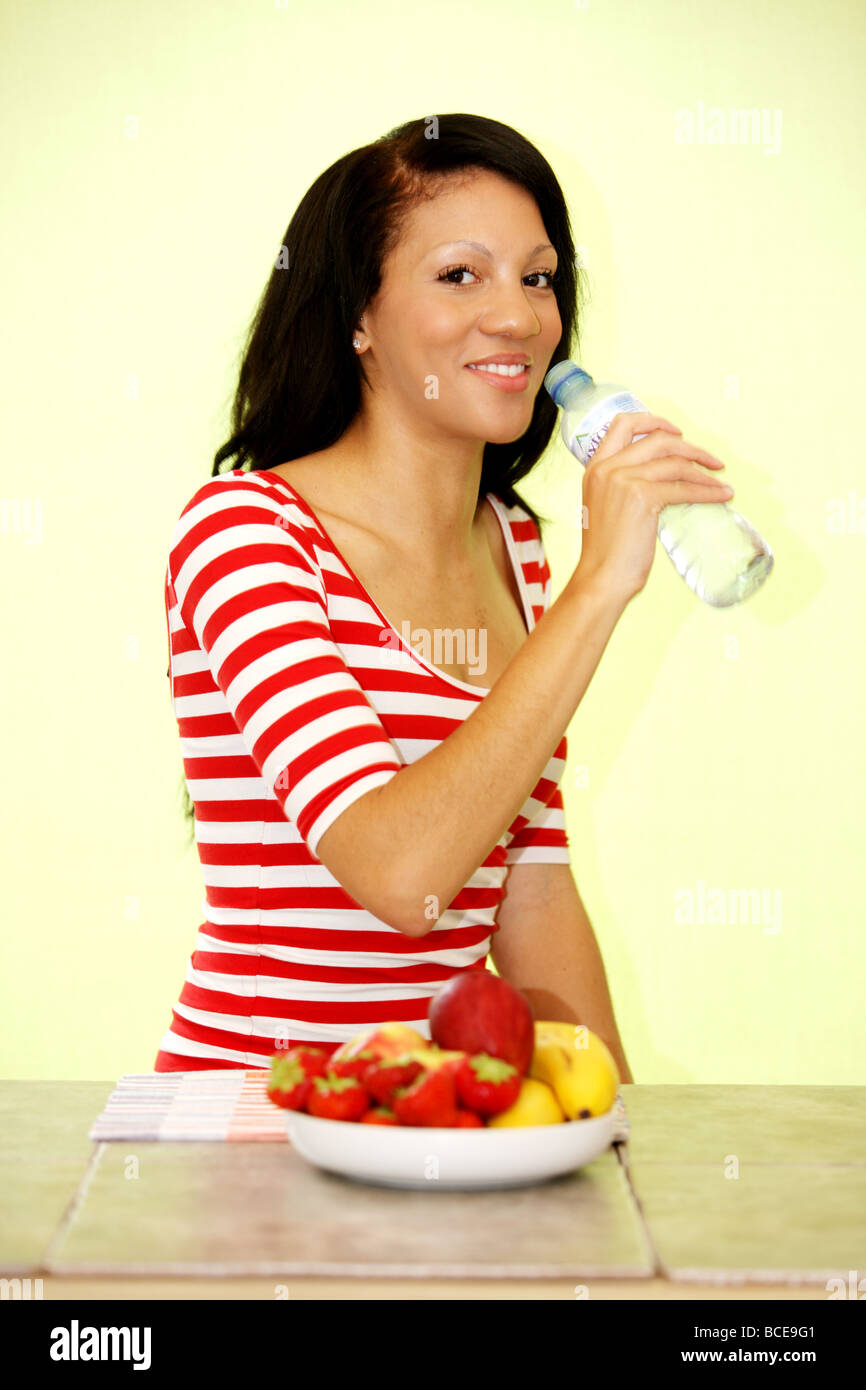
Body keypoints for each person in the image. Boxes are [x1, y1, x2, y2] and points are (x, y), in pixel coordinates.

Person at [154, 114, 731, 1082]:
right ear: (358, 316)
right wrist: (598, 589)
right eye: (459, 274)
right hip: (248, 1125)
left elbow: (530, 893)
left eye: (536, 275)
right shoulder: (245, 533)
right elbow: (399, 873)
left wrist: (623, 1146)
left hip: (434, 1112)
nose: (516, 317)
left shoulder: (511, 545)